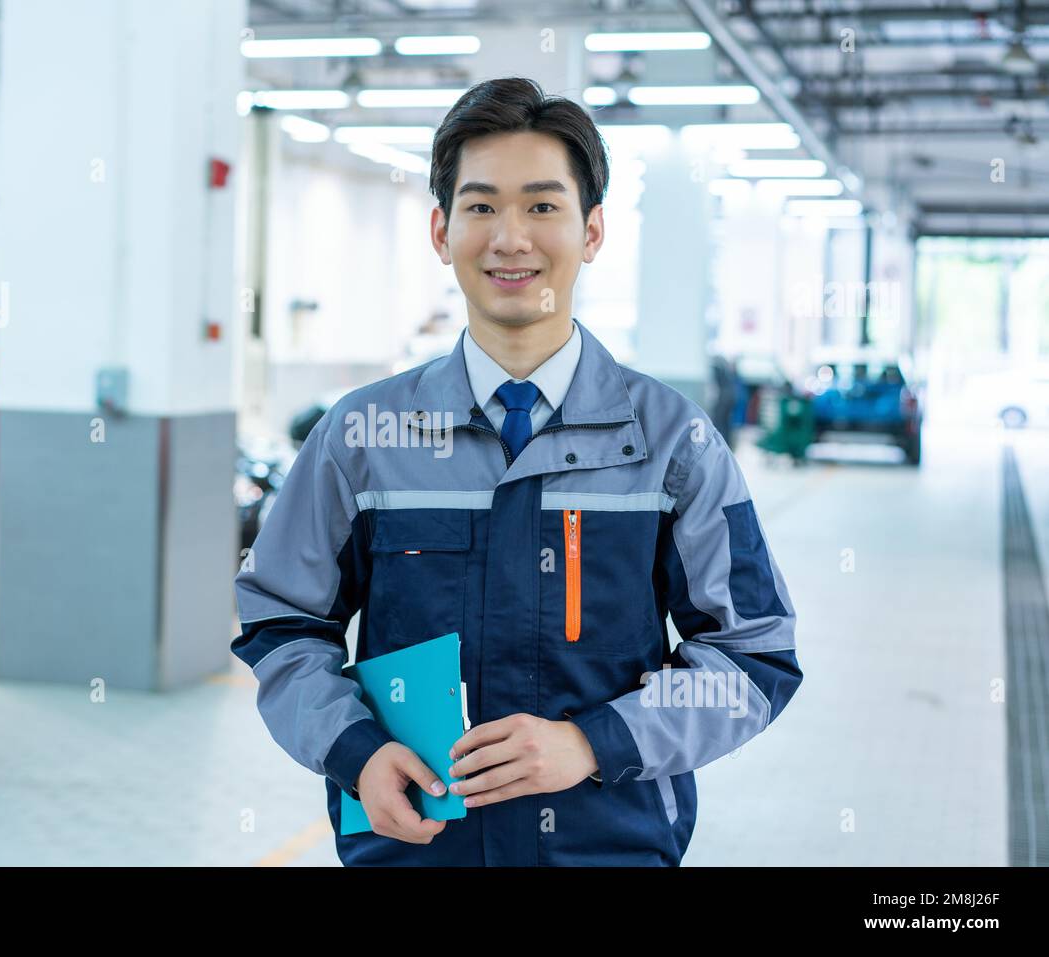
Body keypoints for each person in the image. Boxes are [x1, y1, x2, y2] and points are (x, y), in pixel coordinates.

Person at [231, 76, 802, 866]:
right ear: (441, 229)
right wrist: (356, 750)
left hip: (610, 849)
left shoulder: (674, 443)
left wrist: (593, 743)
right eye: (480, 206)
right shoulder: (360, 437)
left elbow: (752, 654)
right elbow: (281, 624)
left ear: (592, 230)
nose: (510, 238)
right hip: (414, 850)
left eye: (542, 205)